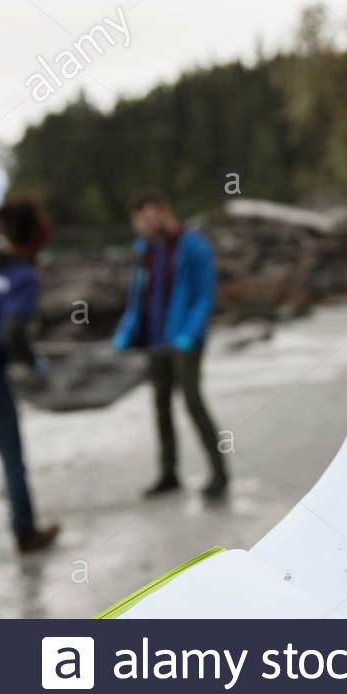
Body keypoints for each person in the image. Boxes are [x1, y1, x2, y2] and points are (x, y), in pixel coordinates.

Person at [113, 189, 228, 500]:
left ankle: (219, 471)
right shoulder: (144, 252)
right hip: (155, 342)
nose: (149, 224)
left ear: (164, 211)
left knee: (192, 401)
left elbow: (205, 295)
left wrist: (190, 333)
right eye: (142, 220)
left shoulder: (193, 246)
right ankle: (169, 473)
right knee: (160, 406)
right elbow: (138, 300)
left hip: (186, 341)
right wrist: (126, 332)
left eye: (153, 215)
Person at [0, 194, 60, 553]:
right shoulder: (24, 277)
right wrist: (31, 365)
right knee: (11, 455)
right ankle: (25, 532)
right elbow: (13, 332)